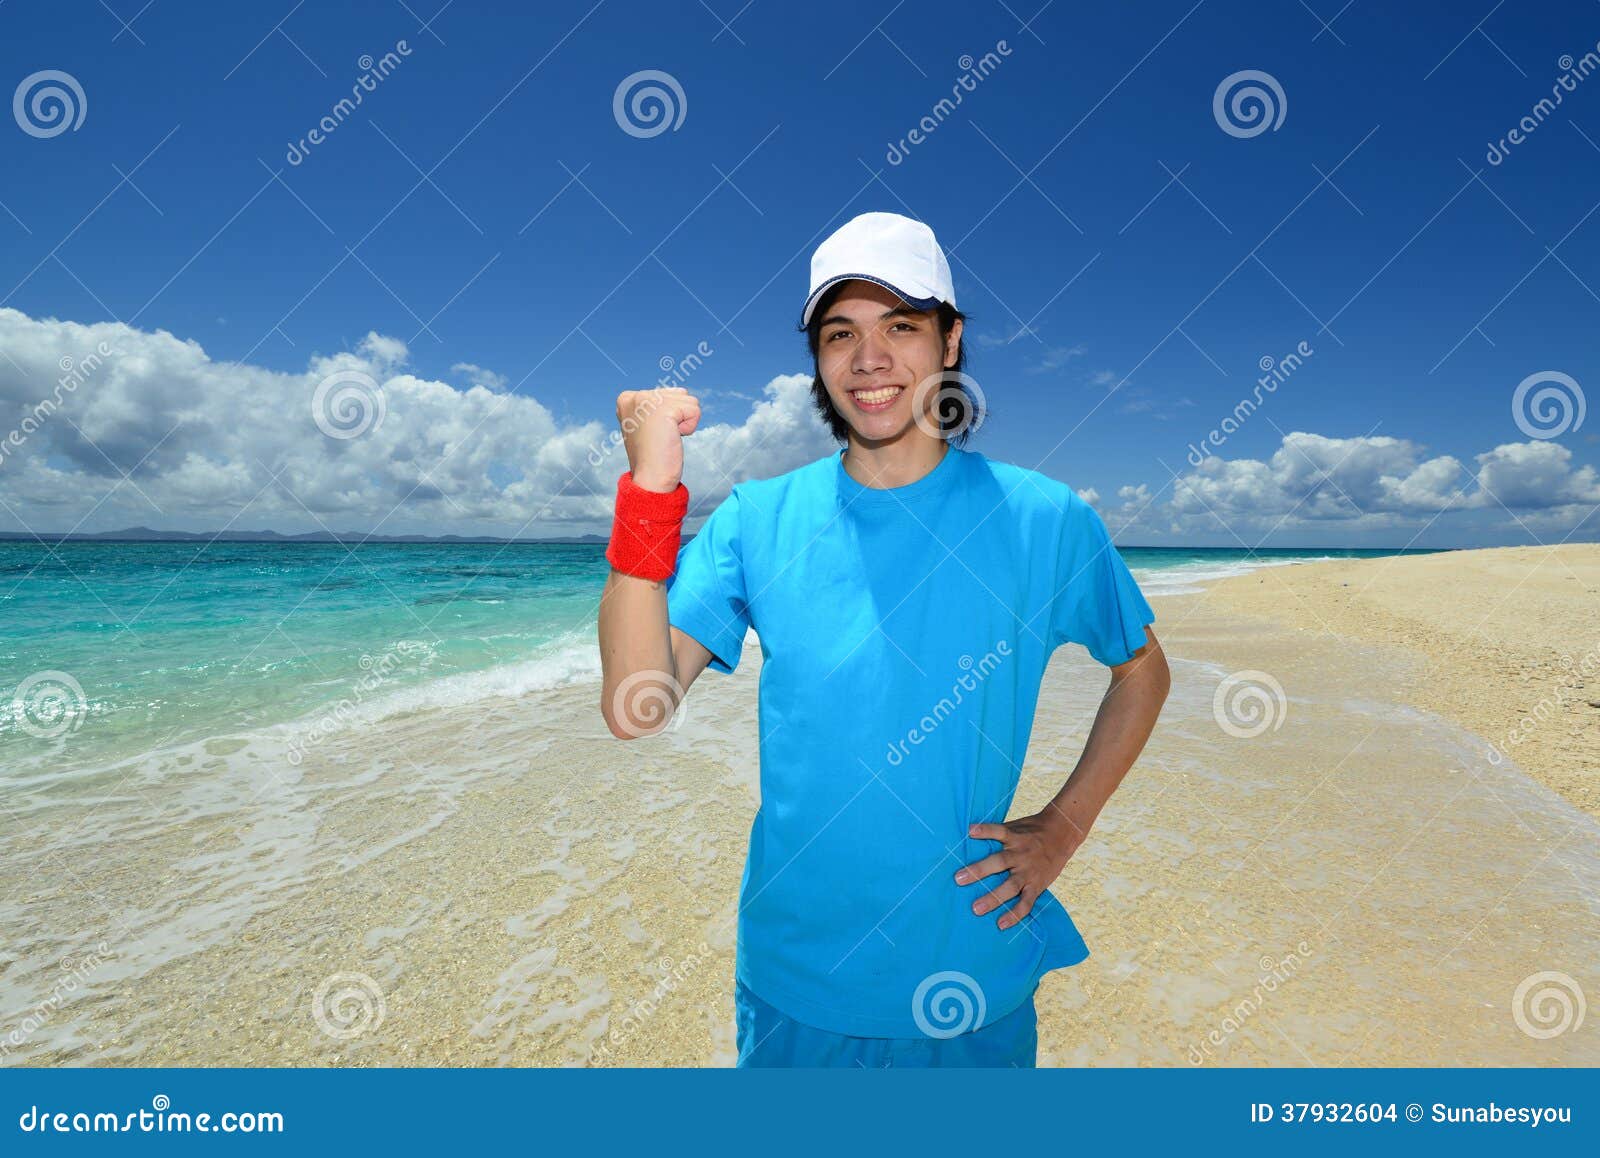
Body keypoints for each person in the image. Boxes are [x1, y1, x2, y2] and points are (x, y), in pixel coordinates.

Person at [597, 211, 1170, 1067]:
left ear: (950, 341)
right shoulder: (760, 519)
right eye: (840, 333)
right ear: (819, 360)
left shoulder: (1043, 519)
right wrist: (650, 493)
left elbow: (1143, 673)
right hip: (797, 982)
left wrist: (1064, 827)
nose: (869, 359)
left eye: (900, 325)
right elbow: (635, 707)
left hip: (971, 979)